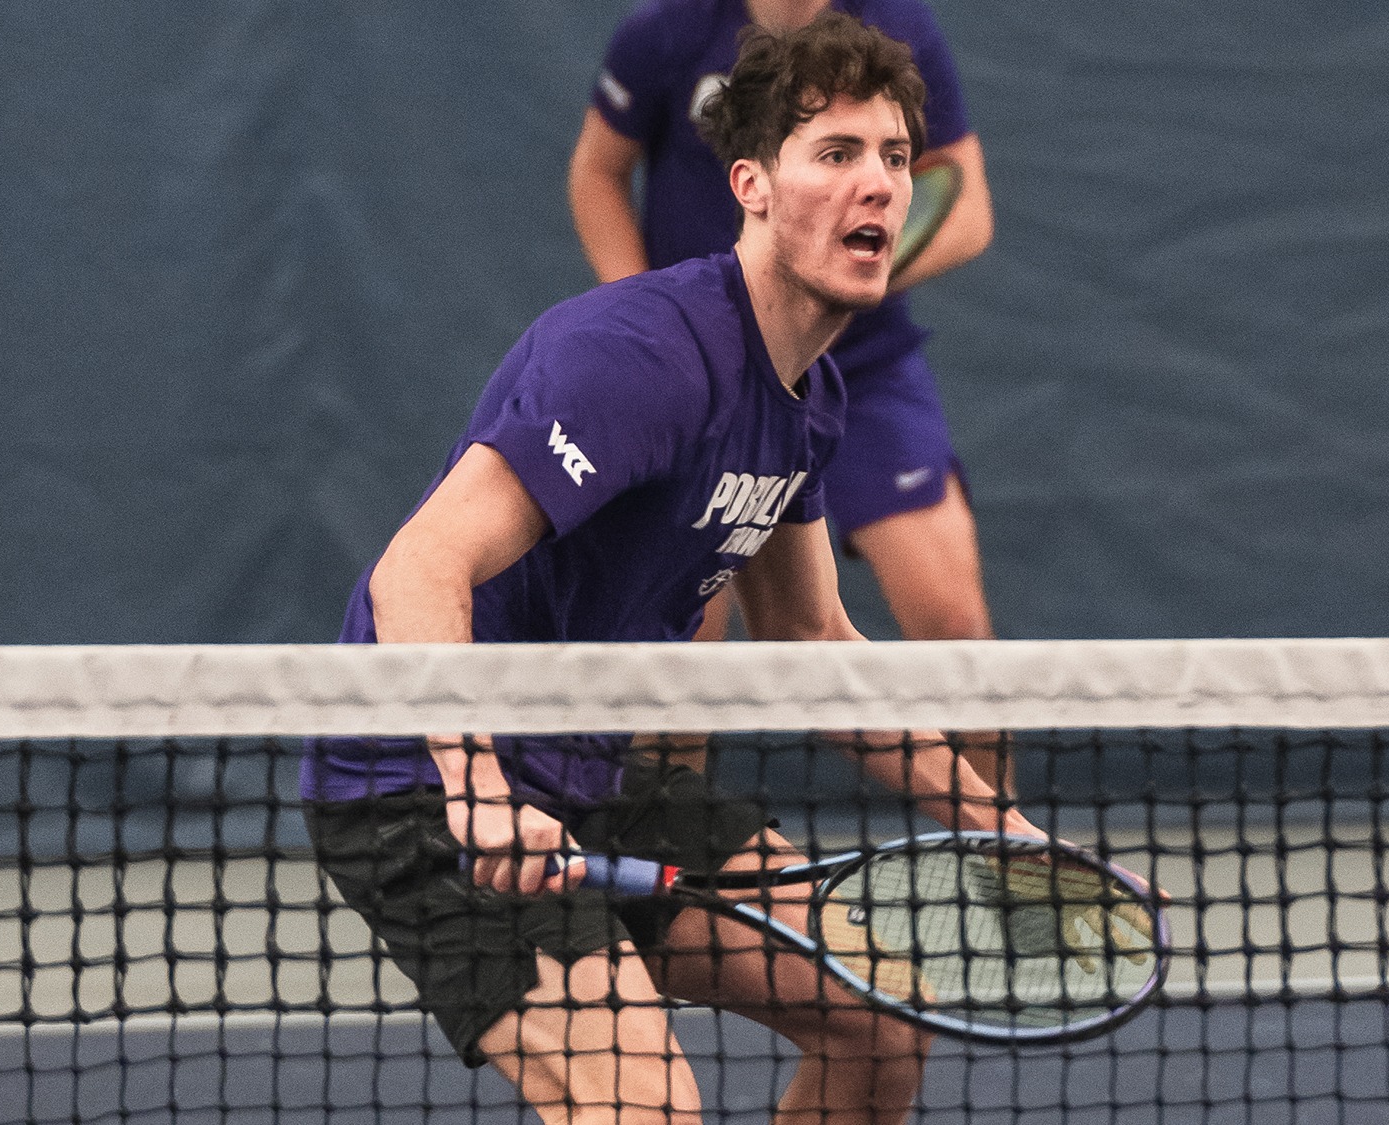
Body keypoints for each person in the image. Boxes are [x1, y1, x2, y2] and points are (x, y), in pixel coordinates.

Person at [303, 16, 1046, 1125]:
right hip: (422, 785)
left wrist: (994, 821)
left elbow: (809, 642)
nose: (880, 187)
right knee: (644, 1111)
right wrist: (477, 793)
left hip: (593, 775)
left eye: (892, 157)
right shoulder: (640, 357)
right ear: (750, 183)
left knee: (881, 1019)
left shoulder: (805, 400)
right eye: (835, 154)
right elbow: (416, 570)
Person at [568, 0, 1014, 796]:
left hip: (867, 372)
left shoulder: (899, 28)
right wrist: (644, 321)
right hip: (697, 382)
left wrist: (838, 282)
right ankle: (675, 878)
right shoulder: (666, 31)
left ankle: (1008, 870)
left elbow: (967, 208)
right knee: (680, 670)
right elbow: (597, 171)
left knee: (955, 625)